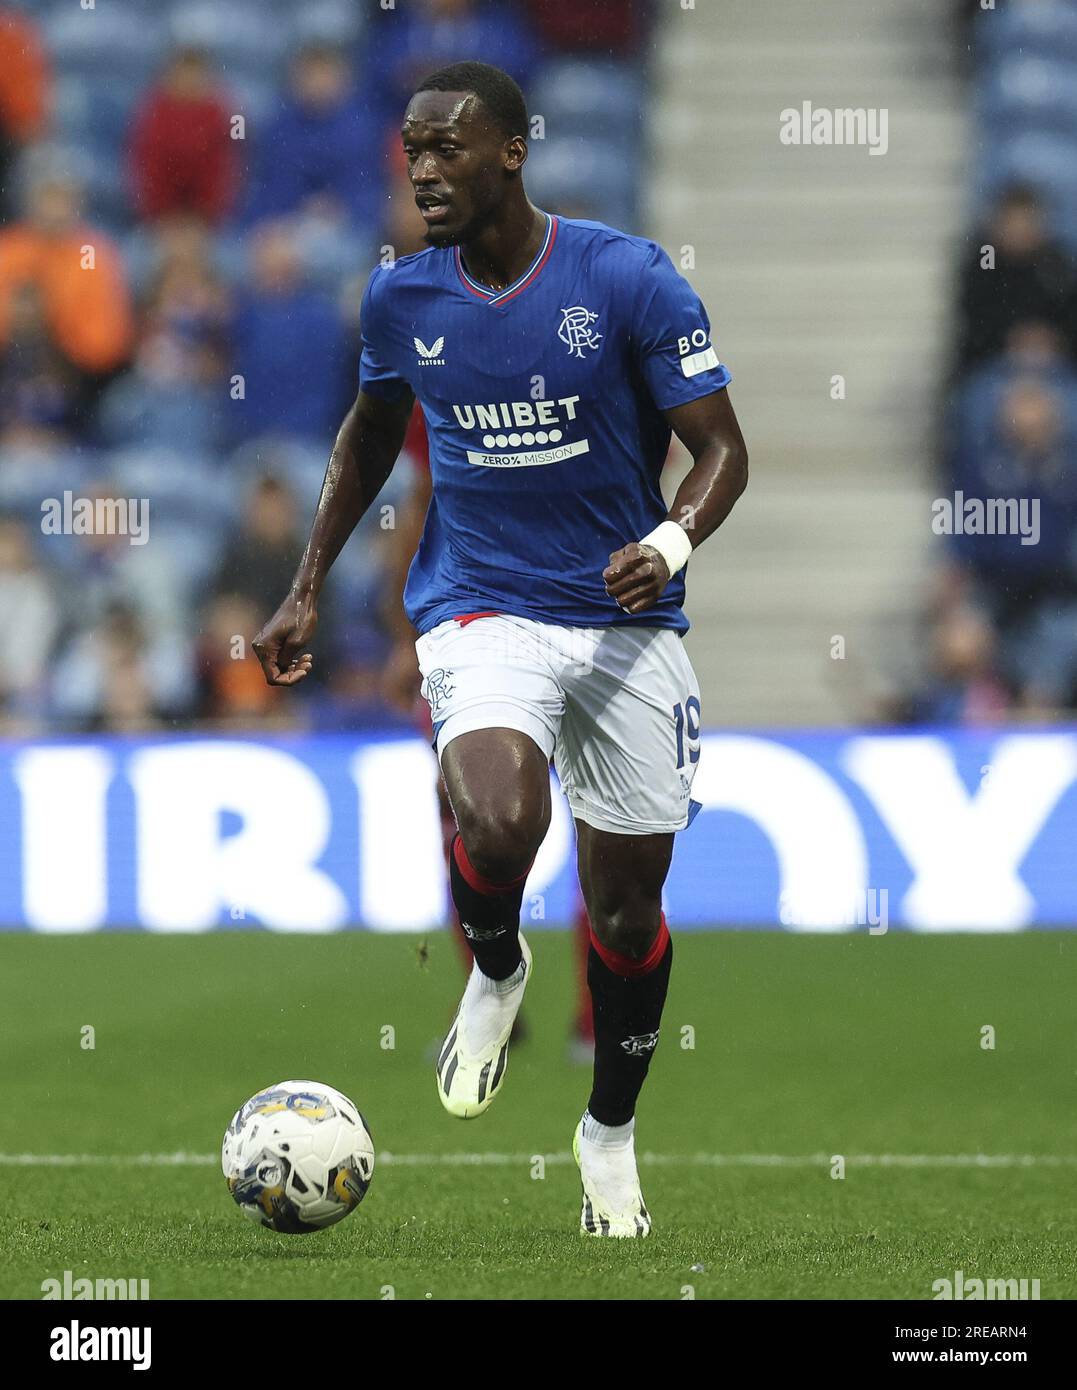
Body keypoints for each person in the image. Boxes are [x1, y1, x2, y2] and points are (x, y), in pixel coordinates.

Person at [254, 61, 748, 1237]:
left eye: (447, 149)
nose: (422, 170)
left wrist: (673, 541)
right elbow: (369, 437)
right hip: (482, 604)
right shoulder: (401, 301)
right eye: (411, 151)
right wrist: (306, 585)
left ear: (512, 153)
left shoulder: (624, 277)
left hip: (626, 617)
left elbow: (723, 447)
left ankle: (608, 1135)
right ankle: (497, 968)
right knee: (499, 815)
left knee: (627, 915)